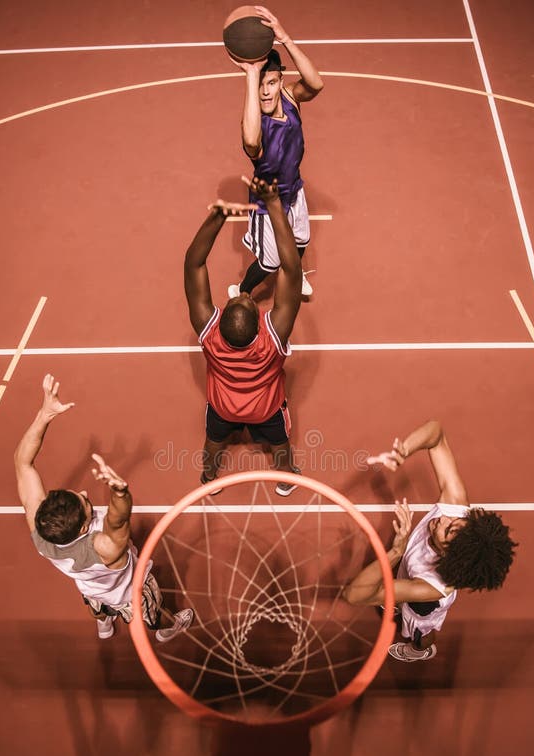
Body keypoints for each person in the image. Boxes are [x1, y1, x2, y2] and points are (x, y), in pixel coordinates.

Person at [14, 374, 194, 641]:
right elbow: (118, 521)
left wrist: (44, 415)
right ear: (84, 528)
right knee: (156, 615)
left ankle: (105, 623)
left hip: (91, 589)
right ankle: (169, 628)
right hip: (130, 593)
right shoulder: (105, 549)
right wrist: (120, 492)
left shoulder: (42, 535)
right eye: (85, 502)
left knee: (96, 605)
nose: (85, 493)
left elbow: (23, 462)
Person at [344, 420, 517, 662]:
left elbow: (353, 595)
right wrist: (404, 450)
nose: (443, 519)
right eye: (456, 522)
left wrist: (396, 552)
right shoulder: (456, 507)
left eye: (447, 531)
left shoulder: (430, 588)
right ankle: (398, 601)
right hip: (411, 572)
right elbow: (436, 434)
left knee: (419, 630)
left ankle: (421, 650)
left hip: (422, 607)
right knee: (396, 587)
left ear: (446, 554)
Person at [184, 174, 302, 496]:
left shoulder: (208, 331)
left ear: (220, 317)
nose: (245, 295)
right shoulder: (273, 336)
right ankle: (285, 479)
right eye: (247, 299)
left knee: (213, 441)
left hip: (223, 408)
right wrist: (274, 204)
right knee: (281, 445)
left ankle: (209, 479)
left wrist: (217, 218)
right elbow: (291, 269)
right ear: (259, 322)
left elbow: (194, 265)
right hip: (266, 409)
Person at [228, 5, 323, 301]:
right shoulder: (254, 123)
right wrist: (251, 75)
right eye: (260, 86)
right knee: (269, 262)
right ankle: (241, 290)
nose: (266, 92)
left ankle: (295, 274)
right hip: (266, 204)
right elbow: (251, 141)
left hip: (294, 189)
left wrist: (285, 39)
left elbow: (316, 84)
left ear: (281, 81)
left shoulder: (291, 98)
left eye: (271, 83)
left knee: (301, 239)